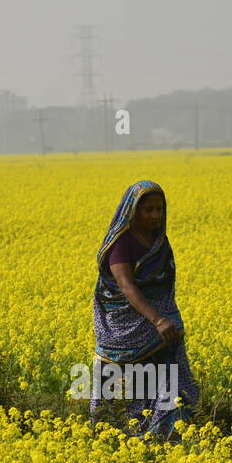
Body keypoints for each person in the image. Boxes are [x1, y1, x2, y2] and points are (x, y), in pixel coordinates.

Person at [90, 180, 199, 438]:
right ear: (133, 211)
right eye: (148, 210)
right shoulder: (121, 243)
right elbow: (126, 286)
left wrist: (163, 317)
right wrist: (158, 320)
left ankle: (165, 425)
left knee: (167, 356)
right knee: (114, 369)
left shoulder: (159, 241)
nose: (155, 216)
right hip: (120, 319)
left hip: (154, 313)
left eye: (159, 209)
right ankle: (107, 427)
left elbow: (161, 284)